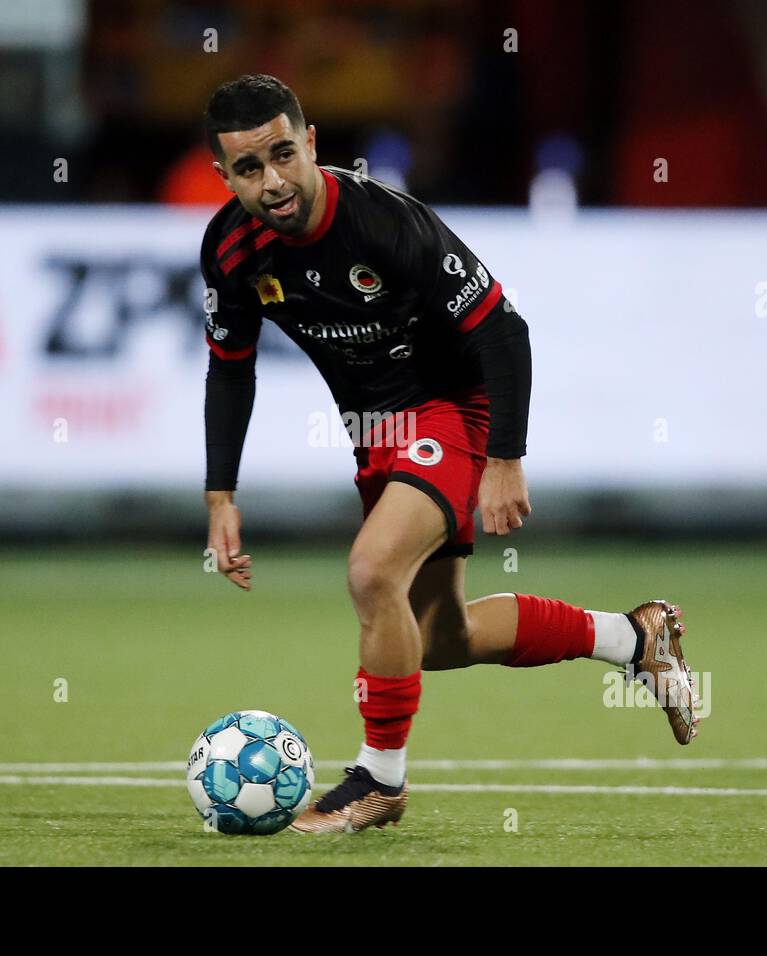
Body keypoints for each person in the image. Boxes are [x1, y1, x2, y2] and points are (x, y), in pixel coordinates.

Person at [199, 74, 699, 834]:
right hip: (376, 433)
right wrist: (220, 499)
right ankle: (634, 637)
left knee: (371, 572)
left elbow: (504, 330)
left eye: (282, 155)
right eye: (248, 169)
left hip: (455, 409)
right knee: (438, 639)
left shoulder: (383, 223)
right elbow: (230, 368)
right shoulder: (233, 252)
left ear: (310, 144)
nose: (272, 182)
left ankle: (379, 784)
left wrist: (504, 459)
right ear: (224, 175)